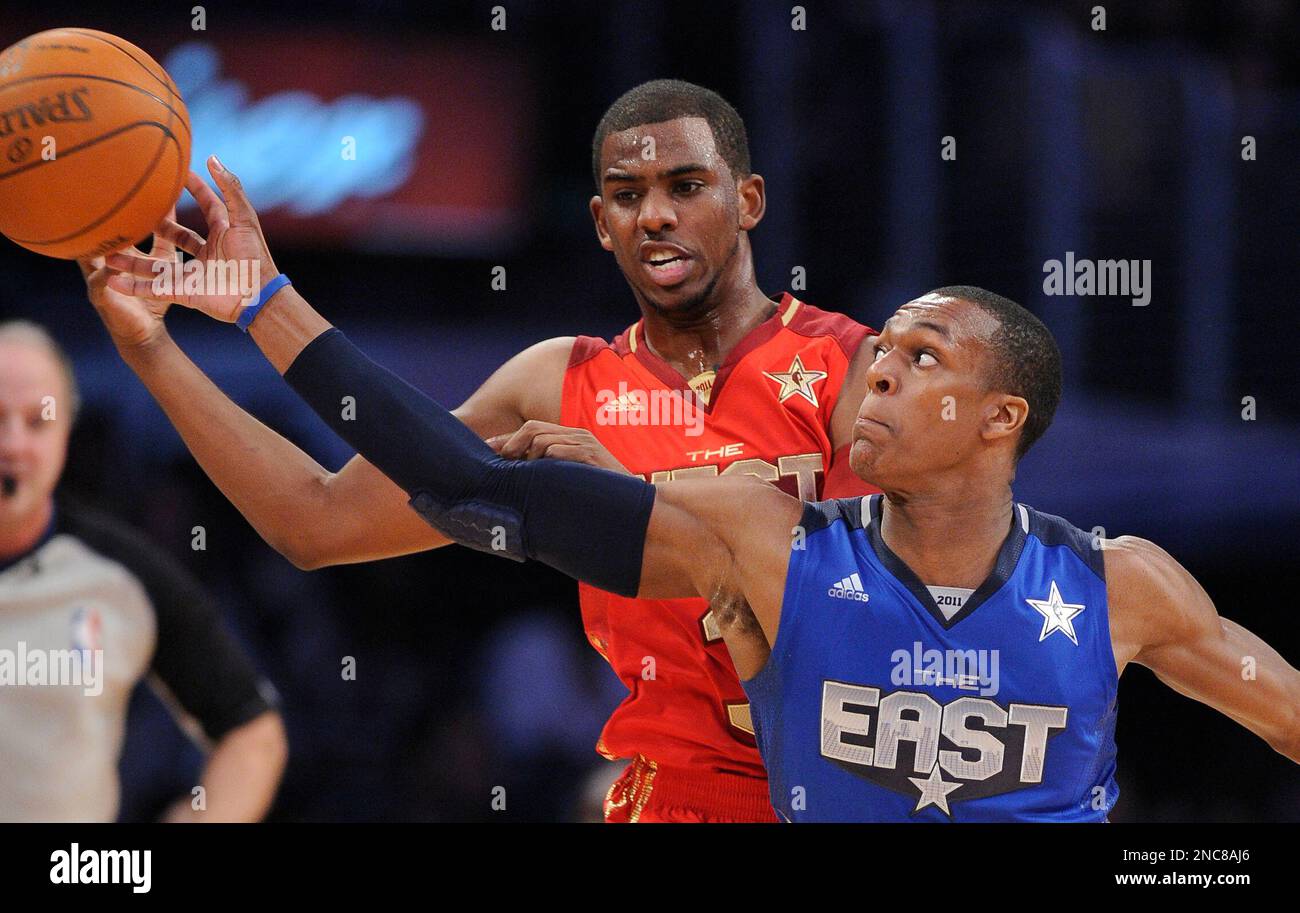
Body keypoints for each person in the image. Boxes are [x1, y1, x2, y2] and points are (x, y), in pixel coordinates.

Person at [93, 165, 1300, 819]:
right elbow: (464, 484)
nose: (883, 365)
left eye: (924, 356)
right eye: (883, 347)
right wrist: (261, 307)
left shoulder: (1118, 584)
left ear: (1001, 420)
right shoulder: (761, 540)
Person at [82, 80, 879, 822]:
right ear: (601, 222)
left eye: (686, 186)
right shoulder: (558, 382)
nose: (656, 216)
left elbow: (880, 606)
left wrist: (633, 498)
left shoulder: (858, 369)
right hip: (670, 796)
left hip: (851, 785)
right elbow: (316, 520)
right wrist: (153, 350)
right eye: (628, 195)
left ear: (748, 200)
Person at [0, 321, 287, 822]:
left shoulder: (119, 575)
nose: (13, 445)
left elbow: (252, 732)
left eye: (38, 422)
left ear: (66, 432)